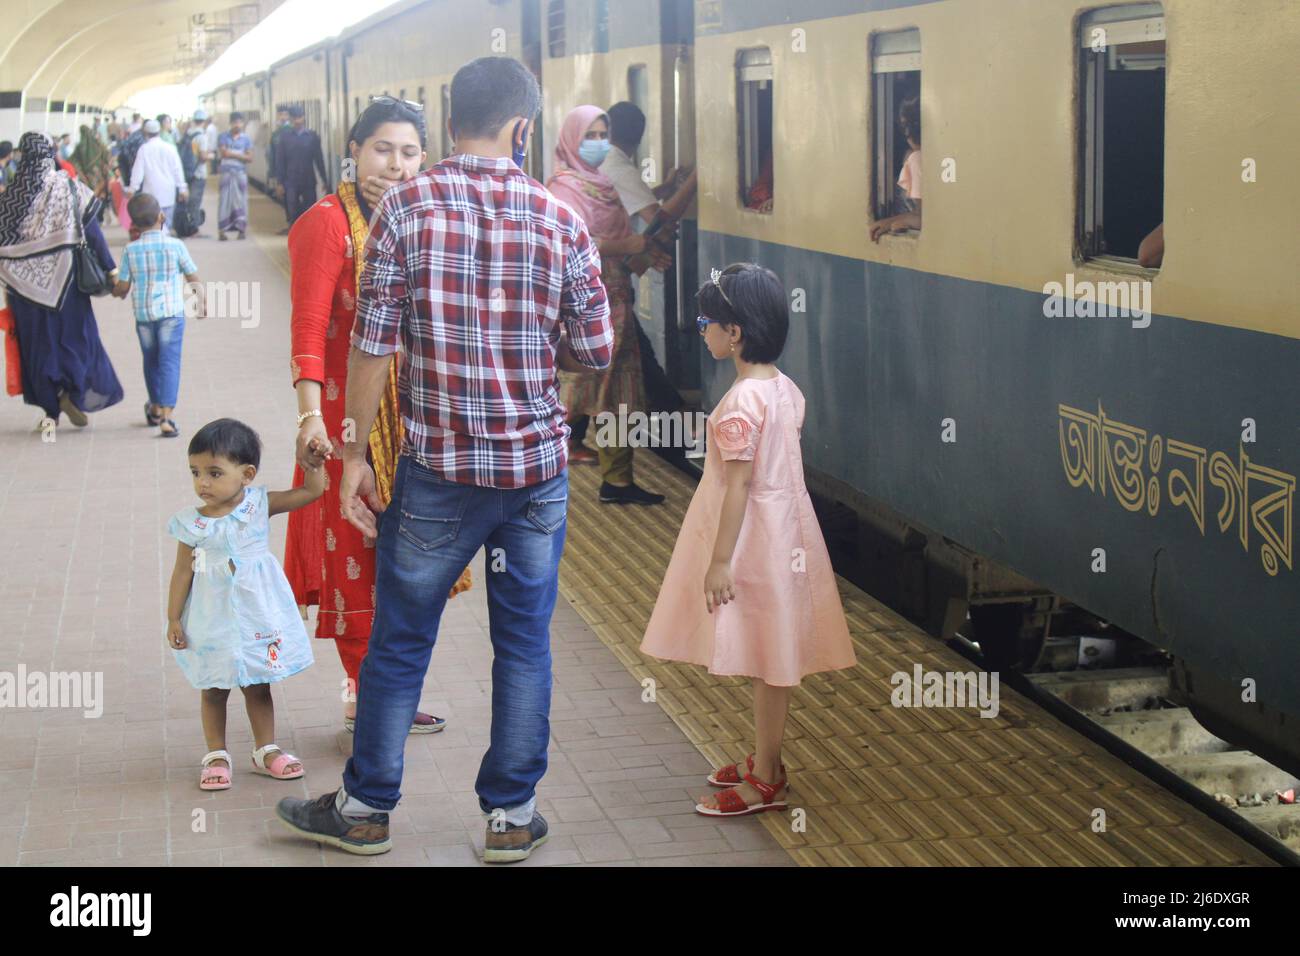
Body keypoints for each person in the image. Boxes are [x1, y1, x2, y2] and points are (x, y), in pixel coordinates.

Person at [275, 55, 614, 863]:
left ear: (448, 120)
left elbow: (372, 342)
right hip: (535, 472)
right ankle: (509, 817)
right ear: (523, 129)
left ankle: (363, 811)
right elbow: (596, 348)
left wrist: (354, 455)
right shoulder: (560, 217)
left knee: (400, 637)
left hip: (436, 469)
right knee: (525, 642)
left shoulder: (406, 209)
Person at [640, 263, 857, 815]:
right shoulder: (784, 388)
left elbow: (738, 488)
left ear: (734, 333)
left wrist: (718, 562)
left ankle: (767, 777)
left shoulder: (739, 403)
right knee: (771, 651)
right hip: (787, 530)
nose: (700, 329)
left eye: (706, 320)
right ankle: (766, 757)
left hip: (755, 542)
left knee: (768, 659)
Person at [283, 97, 470, 733]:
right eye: (382, 149)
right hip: (347, 423)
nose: (396, 164)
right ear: (355, 149)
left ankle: (386, 693)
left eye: (410, 152)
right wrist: (309, 418)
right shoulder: (325, 223)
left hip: (418, 421)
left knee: (408, 567)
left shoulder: (422, 217)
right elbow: (308, 328)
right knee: (357, 568)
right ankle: (369, 704)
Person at [166, 418, 324, 790]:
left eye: (214, 472)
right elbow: (181, 573)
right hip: (211, 617)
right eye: (195, 472)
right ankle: (216, 754)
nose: (202, 482)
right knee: (214, 686)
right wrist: (173, 617)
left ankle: (265, 749)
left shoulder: (260, 505)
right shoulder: (192, 525)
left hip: (257, 613)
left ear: (247, 473)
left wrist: (313, 463)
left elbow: (311, 493)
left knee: (258, 683)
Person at [547, 105, 666, 504]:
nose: (597, 144)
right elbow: (571, 243)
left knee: (623, 392)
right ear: (570, 140)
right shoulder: (562, 190)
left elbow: (622, 243)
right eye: (589, 137)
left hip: (616, 298)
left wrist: (642, 254)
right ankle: (541, 466)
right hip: (581, 305)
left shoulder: (604, 185)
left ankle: (618, 481)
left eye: (603, 135)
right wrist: (625, 246)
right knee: (575, 389)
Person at [0, 132, 124, 430]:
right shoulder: (67, 187)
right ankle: (74, 391)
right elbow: (93, 232)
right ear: (50, 153)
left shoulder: (8, 199)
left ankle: (50, 411)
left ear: (22, 156)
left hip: (23, 290)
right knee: (75, 339)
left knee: (37, 345)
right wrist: (111, 270)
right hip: (67, 283)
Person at [112, 191, 202, 437]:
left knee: (151, 362)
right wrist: (200, 302)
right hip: (171, 315)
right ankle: (167, 418)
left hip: (143, 317)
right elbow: (192, 275)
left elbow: (123, 287)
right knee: (169, 363)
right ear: (162, 216)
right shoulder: (175, 245)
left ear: (133, 224)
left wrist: (114, 288)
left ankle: (154, 408)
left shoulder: (131, 250)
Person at [870, 95, 921, 241]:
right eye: (904, 126)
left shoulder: (917, 159)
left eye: (913, 125)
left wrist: (891, 222)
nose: (907, 133)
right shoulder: (912, 157)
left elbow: (925, 219)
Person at [128, 118, 187, 234]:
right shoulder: (170, 148)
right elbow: (177, 170)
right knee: (166, 223)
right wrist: (182, 188)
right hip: (168, 193)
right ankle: (165, 242)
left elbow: (137, 172)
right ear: (159, 131)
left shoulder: (143, 149)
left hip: (151, 195)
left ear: (145, 132)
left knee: (153, 225)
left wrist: (132, 188)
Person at [274, 105, 328, 228]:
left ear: (303, 118)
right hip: (290, 180)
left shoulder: (312, 137)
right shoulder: (285, 138)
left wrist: (324, 180)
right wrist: (279, 183)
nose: (297, 121)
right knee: (292, 209)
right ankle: (294, 232)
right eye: (295, 118)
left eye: (300, 117)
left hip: (308, 179)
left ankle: (307, 234)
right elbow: (280, 161)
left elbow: (319, 160)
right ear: (291, 119)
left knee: (310, 209)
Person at [216, 112, 252, 240]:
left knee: (242, 201)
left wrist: (231, 153)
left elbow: (250, 157)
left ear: (243, 124)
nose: (238, 125)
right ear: (230, 123)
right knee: (224, 201)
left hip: (240, 174)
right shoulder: (223, 136)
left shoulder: (246, 138)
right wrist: (240, 155)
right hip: (226, 174)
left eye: (240, 122)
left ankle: (241, 230)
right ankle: (222, 231)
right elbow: (223, 153)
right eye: (235, 122)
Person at [70, 123, 113, 221]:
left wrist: (80, 171)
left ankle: (92, 216)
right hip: (100, 176)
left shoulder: (79, 147)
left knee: (89, 196)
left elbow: (72, 160)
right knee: (100, 195)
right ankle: (100, 215)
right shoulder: (99, 145)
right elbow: (108, 157)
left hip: (86, 177)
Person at [180, 110, 212, 236]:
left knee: (188, 201)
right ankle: (193, 229)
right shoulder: (202, 136)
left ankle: (186, 226)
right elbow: (203, 157)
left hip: (187, 172)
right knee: (195, 201)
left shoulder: (187, 134)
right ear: (204, 122)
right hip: (198, 173)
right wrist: (212, 156)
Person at [266, 106, 292, 231]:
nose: (283, 117)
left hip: (292, 171)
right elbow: (272, 155)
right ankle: (289, 222)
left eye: (285, 114)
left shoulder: (291, 131)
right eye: (280, 114)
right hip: (281, 172)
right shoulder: (275, 134)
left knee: (291, 199)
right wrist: (272, 173)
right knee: (285, 199)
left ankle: (292, 224)